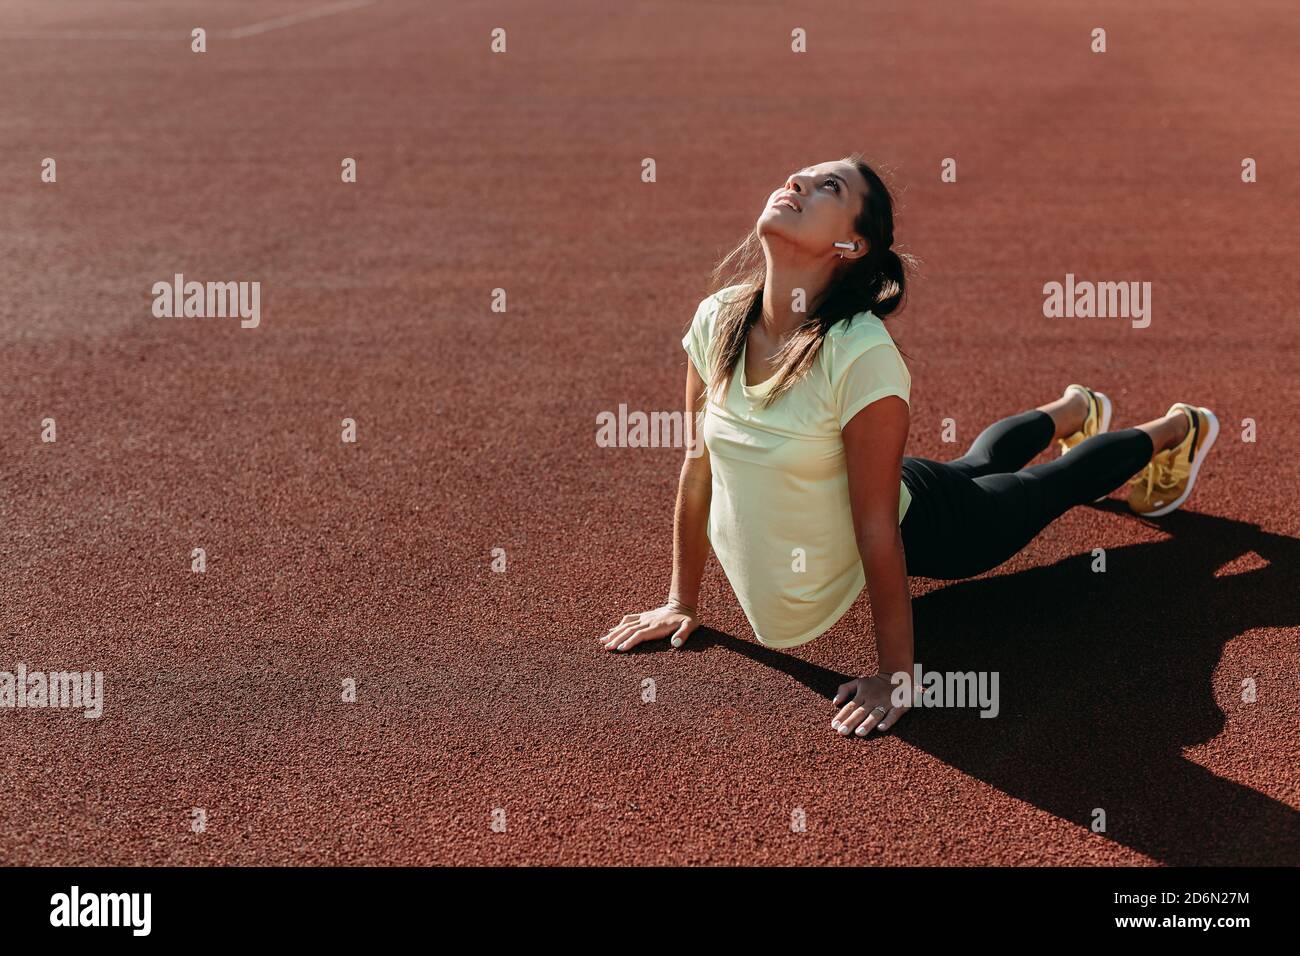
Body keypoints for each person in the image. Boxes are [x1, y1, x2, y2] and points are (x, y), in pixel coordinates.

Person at [599, 155, 1220, 738]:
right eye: (801, 175)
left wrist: (896, 675)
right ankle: (1074, 410)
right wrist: (681, 602)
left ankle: (1177, 429)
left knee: (1044, 486)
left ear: (852, 245)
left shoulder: (858, 352)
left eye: (829, 186)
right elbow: (697, 466)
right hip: (865, 474)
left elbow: (877, 526)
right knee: (976, 463)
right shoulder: (718, 319)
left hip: (937, 524)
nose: (797, 182)